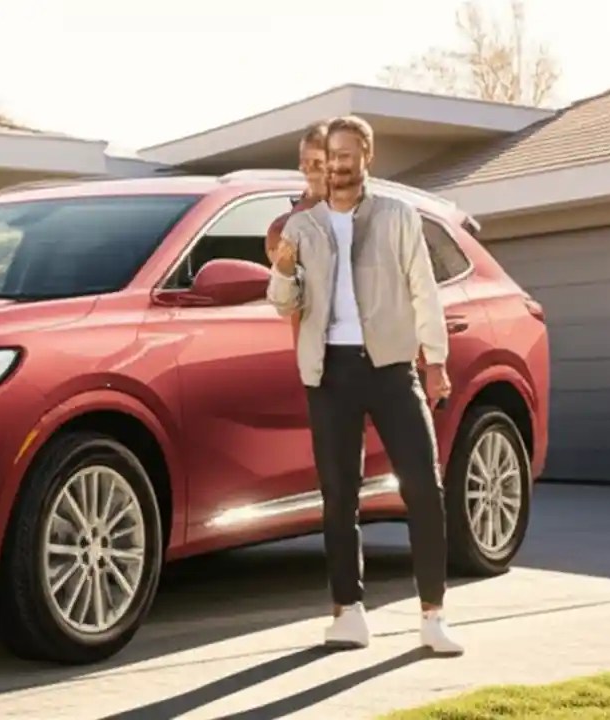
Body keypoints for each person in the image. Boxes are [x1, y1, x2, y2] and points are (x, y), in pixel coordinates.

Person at [266, 115, 463, 656]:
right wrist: (284, 271)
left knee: (423, 487)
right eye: (332, 154)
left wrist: (437, 360)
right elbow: (284, 301)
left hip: (392, 368)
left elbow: (424, 289)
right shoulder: (302, 228)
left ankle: (433, 616)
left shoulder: (398, 217)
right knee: (338, 496)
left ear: (366, 157)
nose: (339, 162)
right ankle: (348, 613)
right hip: (330, 372)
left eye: (349, 153)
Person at [265, 121, 328, 338]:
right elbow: (284, 303)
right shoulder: (284, 229)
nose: (310, 171)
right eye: (305, 164)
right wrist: (284, 268)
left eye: (318, 164)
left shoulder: (372, 216)